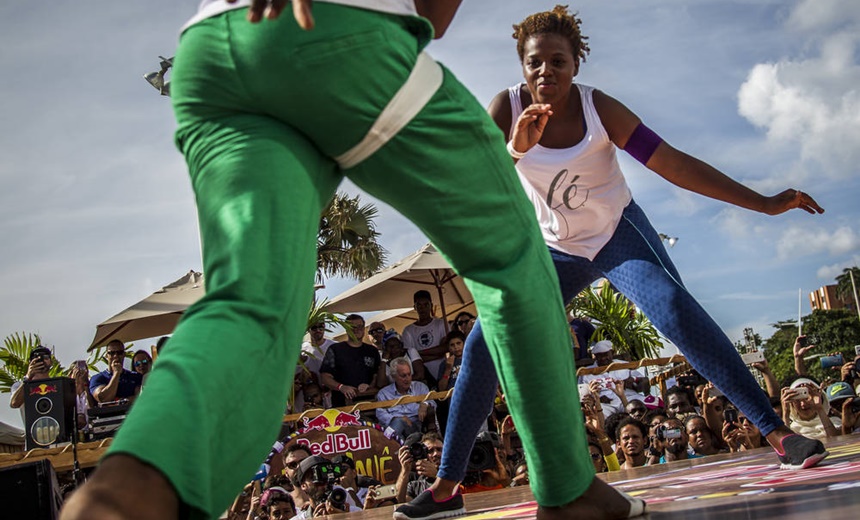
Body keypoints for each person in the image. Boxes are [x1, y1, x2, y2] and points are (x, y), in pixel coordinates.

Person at [62, 3, 608, 519]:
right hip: (339, 33)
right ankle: (567, 488)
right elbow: (431, 16)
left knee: (247, 306)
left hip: (213, 51)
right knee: (513, 262)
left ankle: (142, 481)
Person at [399, 5, 826, 519]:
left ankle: (779, 436)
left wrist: (763, 202)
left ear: (575, 65)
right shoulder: (506, 110)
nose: (546, 72)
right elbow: (471, 184)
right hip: (554, 250)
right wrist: (512, 149)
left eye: (558, 61)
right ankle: (447, 488)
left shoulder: (600, 109)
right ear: (522, 66)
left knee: (673, 308)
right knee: (483, 344)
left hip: (617, 234)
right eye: (535, 63)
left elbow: (672, 164)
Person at [319, 314, 384, 408]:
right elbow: (325, 377)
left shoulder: (372, 351)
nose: (356, 329)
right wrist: (341, 387)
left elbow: (376, 375)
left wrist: (369, 386)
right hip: (342, 406)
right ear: (346, 329)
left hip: (368, 403)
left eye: (360, 327)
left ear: (364, 329)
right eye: (352, 327)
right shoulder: (335, 349)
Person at [579, 340, 649, 416]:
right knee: (599, 413)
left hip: (628, 397)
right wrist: (597, 398)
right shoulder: (587, 372)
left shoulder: (624, 365)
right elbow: (582, 394)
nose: (603, 358)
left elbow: (643, 380)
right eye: (599, 355)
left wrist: (633, 379)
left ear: (612, 352)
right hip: (606, 404)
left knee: (643, 404)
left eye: (606, 354)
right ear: (595, 356)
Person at [376, 357, 436, 439]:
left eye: (409, 374)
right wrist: (396, 419)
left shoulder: (420, 387)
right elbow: (380, 413)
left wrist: (425, 404)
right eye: (403, 376)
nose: (407, 379)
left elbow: (433, 403)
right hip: (394, 427)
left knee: (398, 425)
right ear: (394, 376)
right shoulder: (384, 393)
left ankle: (393, 448)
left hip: (413, 428)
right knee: (398, 423)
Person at [401, 290, 449, 384]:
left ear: (431, 305)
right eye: (419, 305)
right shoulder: (408, 330)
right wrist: (437, 353)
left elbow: (446, 347)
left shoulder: (441, 324)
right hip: (422, 378)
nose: (422, 308)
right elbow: (410, 357)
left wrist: (419, 354)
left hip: (442, 372)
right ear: (414, 307)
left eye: (426, 304)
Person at [394, 432, 444, 504]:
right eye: (430, 451)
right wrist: (405, 470)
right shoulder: (415, 485)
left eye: (439, 450)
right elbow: (400, 502)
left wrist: (436, 476)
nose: (436, 454)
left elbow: (456, 494)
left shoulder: (455, 473)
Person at [9, 346, 56, 416]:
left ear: (51, 362)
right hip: (32, 426)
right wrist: (27, 378)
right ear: (30, 363)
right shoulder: (19, 385)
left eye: (45, 358)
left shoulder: (57, 384)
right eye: (36, 359)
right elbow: (14, 403)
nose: (42, 361)